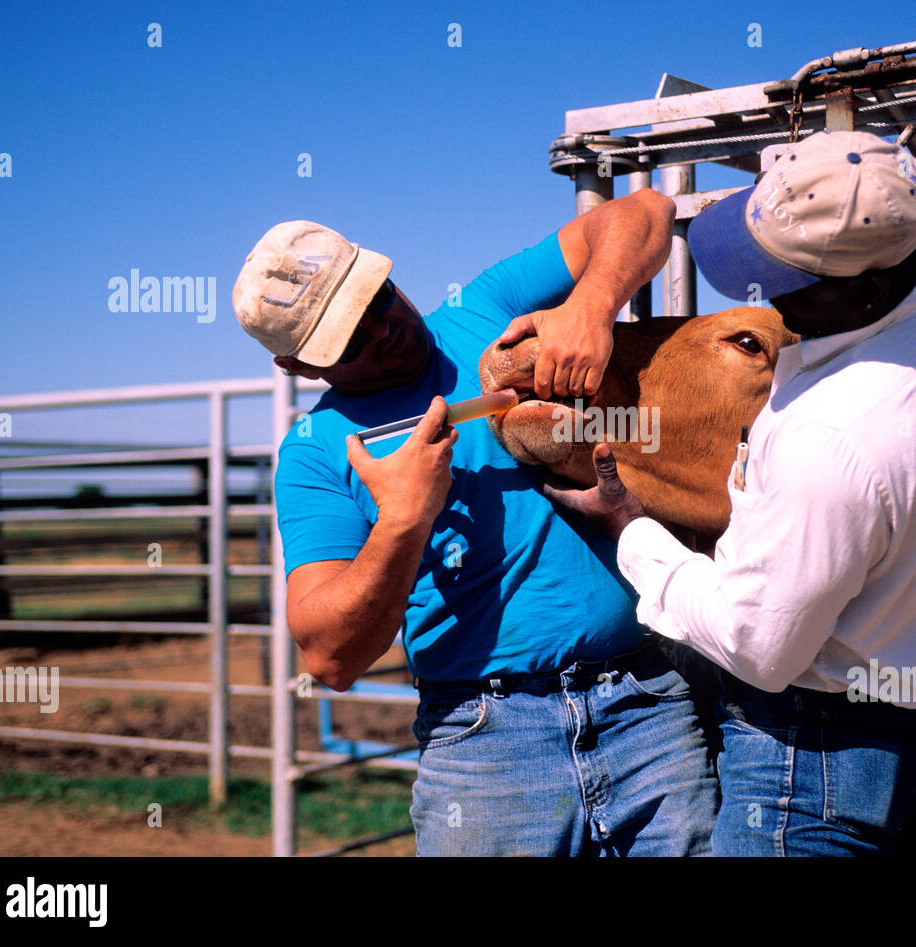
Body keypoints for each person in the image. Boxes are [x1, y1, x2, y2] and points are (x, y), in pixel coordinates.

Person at [544, 130, 916, 856]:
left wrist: (631, 528)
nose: (764, 293)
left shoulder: (830, 436)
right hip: (898, 735)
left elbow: (760, 647)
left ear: (869, 287)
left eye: (787, 279)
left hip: (802, 763)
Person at [231, 195, 718, 857]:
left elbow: (646, 210)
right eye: (350, 338)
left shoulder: (481, 311)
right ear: (298, 367)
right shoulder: (318, 450)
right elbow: (330, 654)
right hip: (486, 744)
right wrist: (403, 518)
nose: (383, 330)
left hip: (647, 705)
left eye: (376, 299)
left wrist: (592, 303)